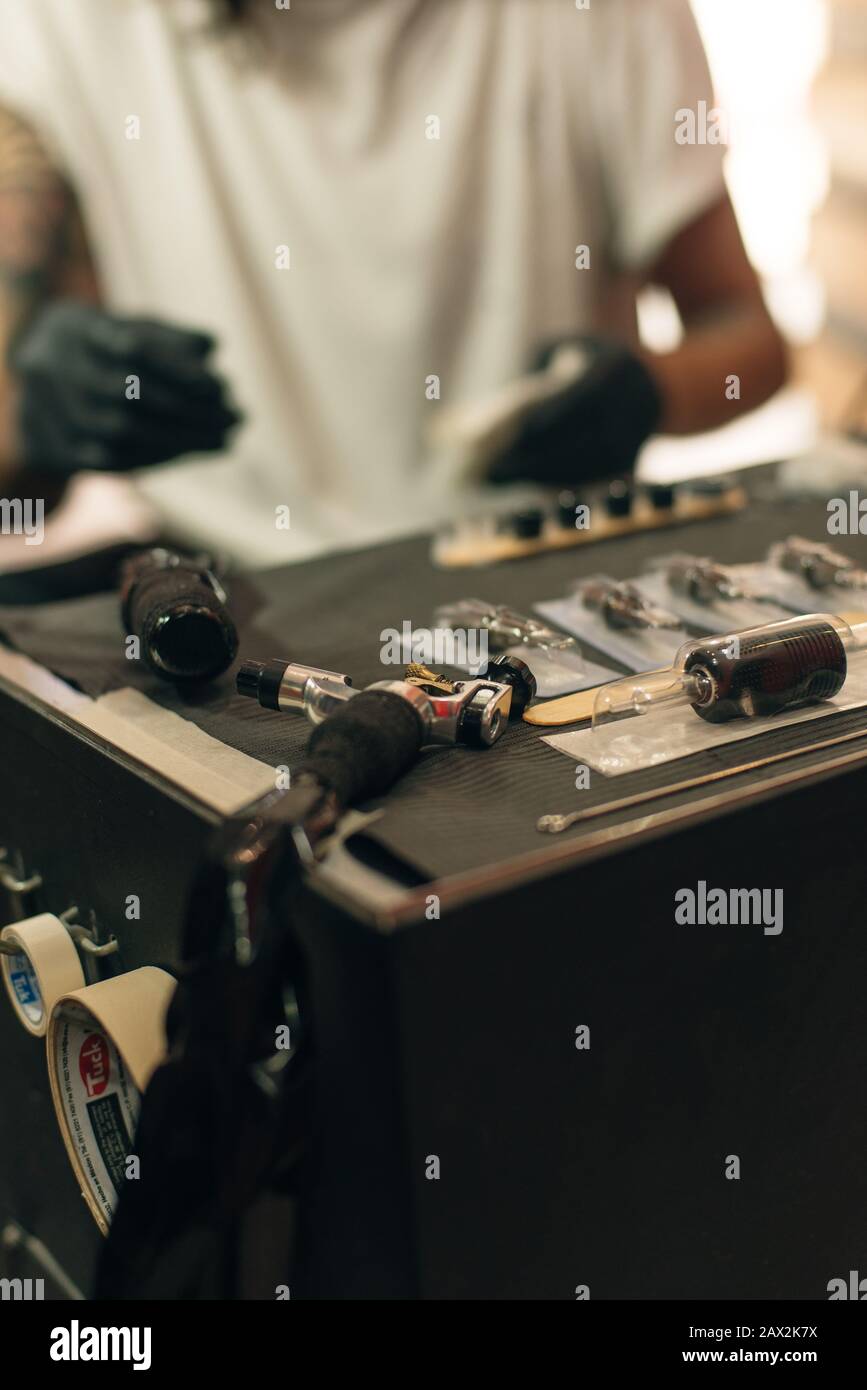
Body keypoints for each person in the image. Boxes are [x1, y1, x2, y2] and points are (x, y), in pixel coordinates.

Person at [0, 0, 787, 566]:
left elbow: (747, 343)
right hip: (221, 585)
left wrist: (650, 393)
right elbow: (21, 488)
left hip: (539, 565)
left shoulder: (602, 15)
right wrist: (39, 412)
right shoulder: (66, 23)